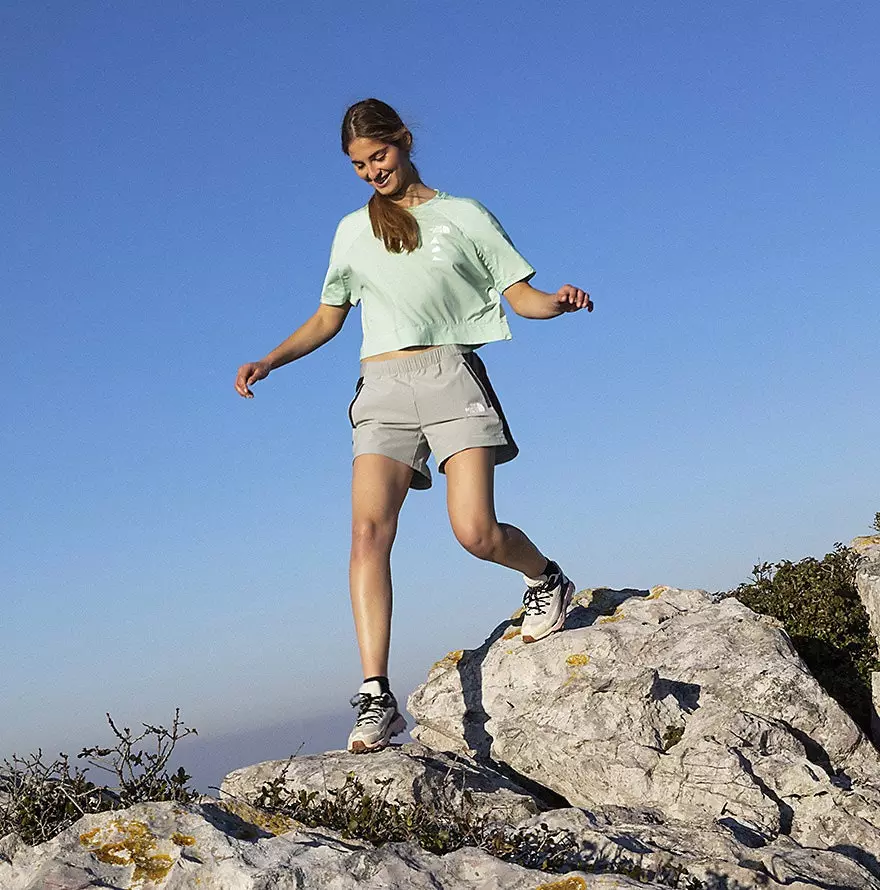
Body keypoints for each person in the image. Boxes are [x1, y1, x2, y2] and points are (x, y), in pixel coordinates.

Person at [235, 98, 592, 754]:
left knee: (476, 533)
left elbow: (522, 298)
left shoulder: (464, 216)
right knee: (368, 533)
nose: (371, 171)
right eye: (357, 164)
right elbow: (326, 319)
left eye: (380, 156)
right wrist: (269, 359)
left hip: (451, 376)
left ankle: (546, 579)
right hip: (382, 388)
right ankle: (376, 696)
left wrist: (559, 304)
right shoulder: (351, 231)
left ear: (403, 141)